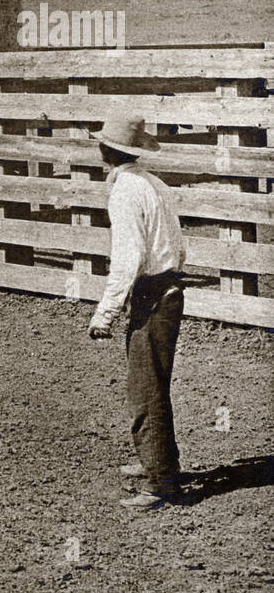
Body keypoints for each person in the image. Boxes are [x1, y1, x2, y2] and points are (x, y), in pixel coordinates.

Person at [86, 115, 188, 510]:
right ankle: (159, 462)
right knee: (153, 383)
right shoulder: (153, 183)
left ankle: (160, 483)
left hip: (151, 294)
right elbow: (177, 245)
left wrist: (105, 313)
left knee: (144, 389)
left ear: (105, 151)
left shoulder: (126, 191)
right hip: (168, 288)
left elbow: (128, 258)